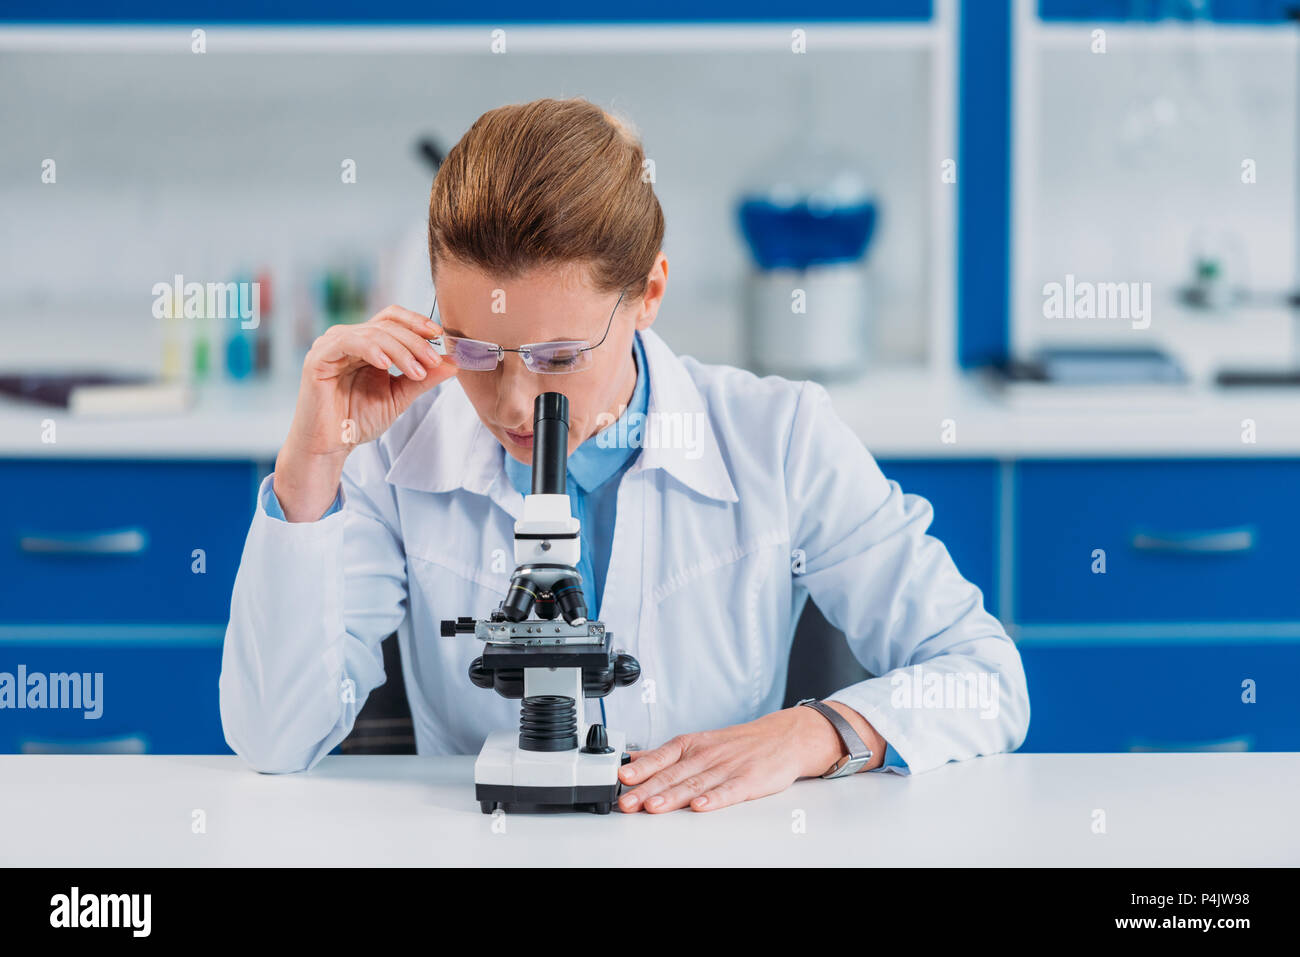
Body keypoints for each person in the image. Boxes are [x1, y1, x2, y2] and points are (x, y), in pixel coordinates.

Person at [219, 97, 1029, 814]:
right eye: (474, 350)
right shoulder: (396, 448)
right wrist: (310, 466)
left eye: (557, 357)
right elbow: (273, 737)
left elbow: (984, 675)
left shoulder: (777, 437)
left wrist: (813, 732)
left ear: (649, 294)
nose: (510, 405)